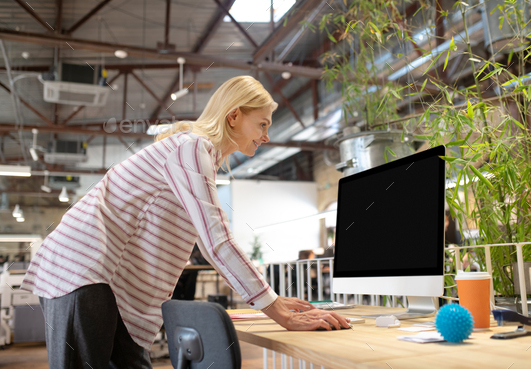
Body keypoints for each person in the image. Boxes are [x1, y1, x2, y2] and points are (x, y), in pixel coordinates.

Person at [21, 76, 350, 369]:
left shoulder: (198, 155)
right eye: (262, 124)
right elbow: (215, 241)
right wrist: (275, 308)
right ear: (234, 115)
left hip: (109, 283)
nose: (266, 136)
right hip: (81, 267)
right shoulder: (192, 148)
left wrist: (274, 302)